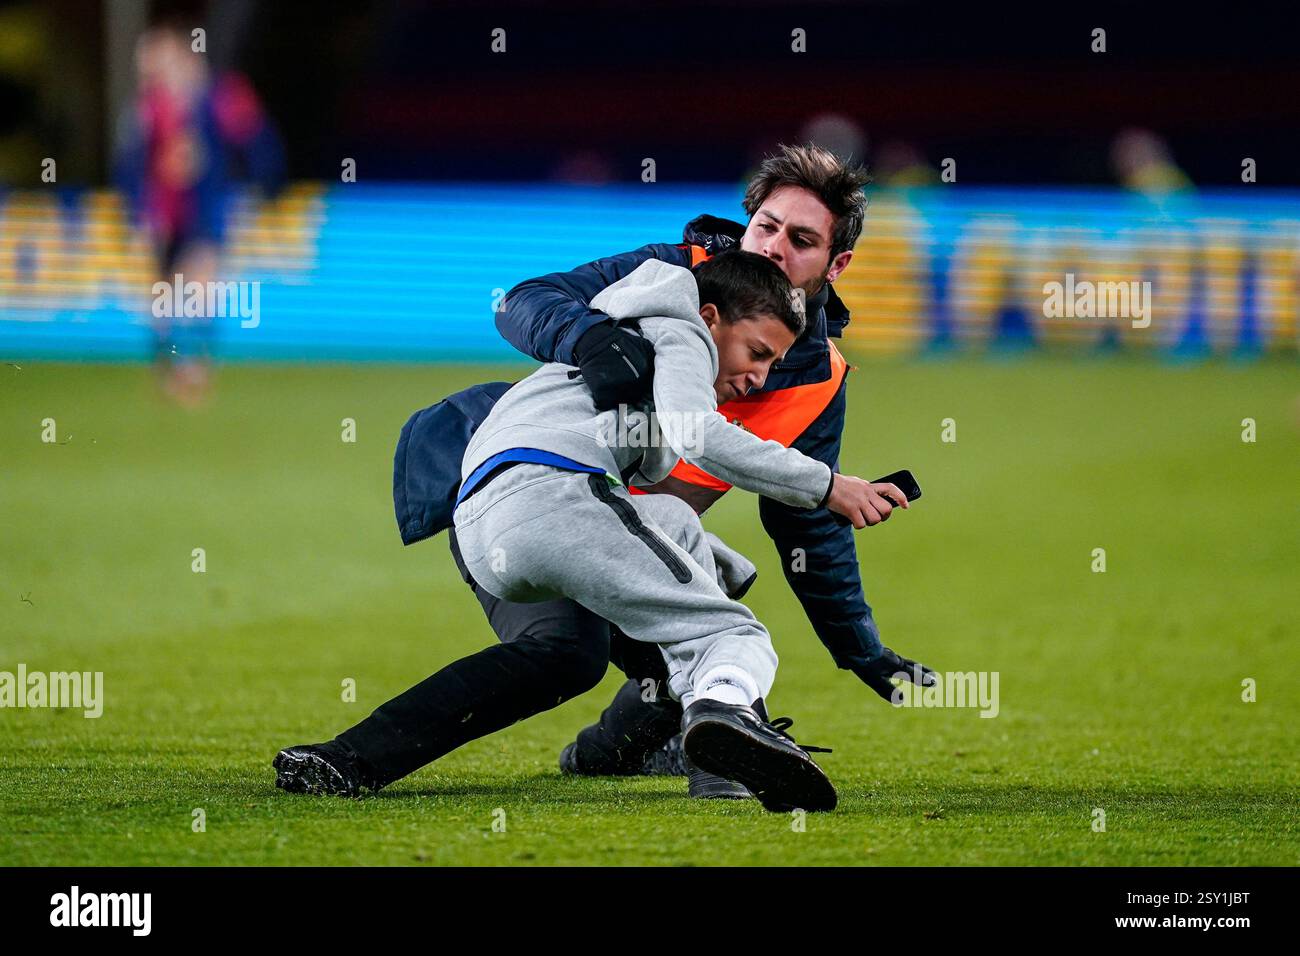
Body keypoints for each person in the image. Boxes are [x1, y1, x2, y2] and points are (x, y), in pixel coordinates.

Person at [276, 144, 936, 803]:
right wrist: (590, 337)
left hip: (600, 512)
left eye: (801, 239)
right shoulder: (679, 284)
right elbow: (523, 301)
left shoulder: (816, 381)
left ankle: (606, 750)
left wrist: (860, 647)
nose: (772, 248)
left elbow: (808, 534)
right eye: (765, 225)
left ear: (837, 262)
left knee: (611, 633)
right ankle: (721, 740)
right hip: (539, 488)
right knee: (684, 637)